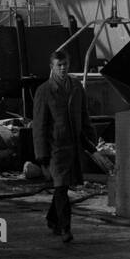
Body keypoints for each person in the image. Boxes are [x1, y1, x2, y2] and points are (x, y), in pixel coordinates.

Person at [31, 50, 98, 244]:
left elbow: (84, 116)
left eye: (65, 65)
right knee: (60, 187)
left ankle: (53, 219)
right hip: (55, 148)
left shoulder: (77, 87)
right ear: (51, 67)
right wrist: (41, 155)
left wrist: (91, 140)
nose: (62, 68)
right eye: (58, 65)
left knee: (64, 186)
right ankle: (65, 228)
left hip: (74, 146)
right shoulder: (44, 91)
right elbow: (39, 126)